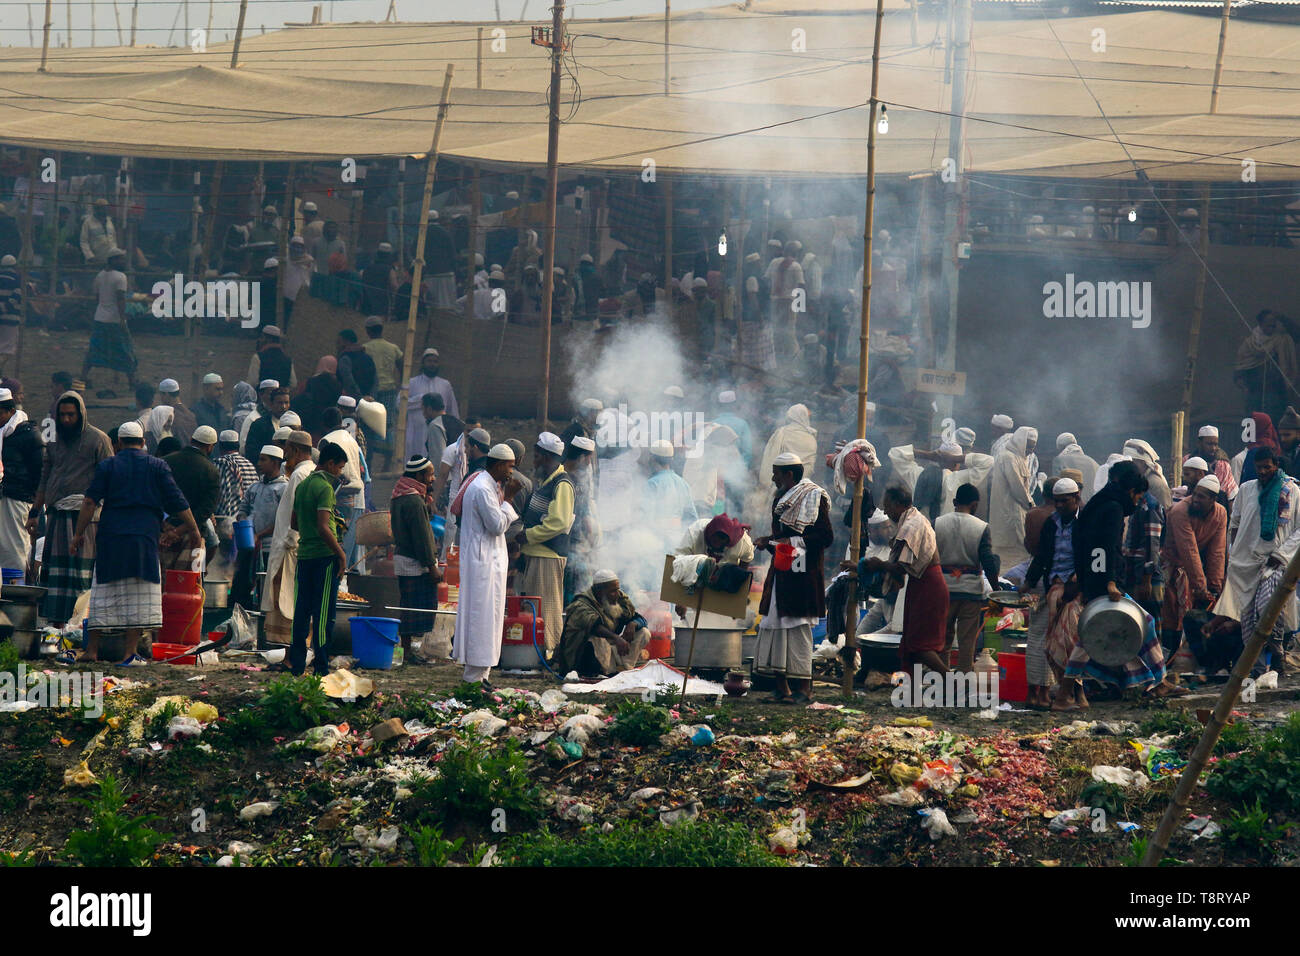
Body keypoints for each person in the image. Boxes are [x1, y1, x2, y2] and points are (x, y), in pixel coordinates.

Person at [73, 420, 200, 665]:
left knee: (103, 591)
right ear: (143, 443)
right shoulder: (157, 466)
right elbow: (177, 501)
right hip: (143, 540)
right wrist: (193, 529)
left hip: (111, 538)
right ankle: (129, 653)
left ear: (118, 443)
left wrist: (78, 534)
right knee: (138, 594)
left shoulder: (108, 466)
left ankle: (92, 650)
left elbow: (89, 502)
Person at [1057, 460, 1182, 708]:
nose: (1137, 502)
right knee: (1137, 623)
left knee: (1095, 635)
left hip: (1093, 579)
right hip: (1104, 582)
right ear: (1130, 490)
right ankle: (1158, 681)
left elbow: (1086, 546)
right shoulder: (1113, 508)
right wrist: (1111, 582)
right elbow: (1107, 547)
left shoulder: (1098, 503)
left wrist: (1085, 580)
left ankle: (1154, 682)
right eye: (1137, 495)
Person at [1213, 445, 1300, 675]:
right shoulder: (1246, 489)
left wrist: (1281, 555)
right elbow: (1235, 523)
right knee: (1248, 621)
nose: (1262, 471)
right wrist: (1235, 555)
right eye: (1259, 467)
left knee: (1268, 609)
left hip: (1275, 562)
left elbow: (1299, 530)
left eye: (1267, 467)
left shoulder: (1291, 491)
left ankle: (1278, 653)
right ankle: (1258, 669)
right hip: (1246, 563)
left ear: (1276, 465)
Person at [754, 452, 833, 703]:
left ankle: (804, 690)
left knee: (797, 628)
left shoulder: (812, 496)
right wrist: (769, 542)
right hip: (783, 570)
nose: (773, 477)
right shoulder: (781, 498)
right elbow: (782, 538)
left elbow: (825, 537)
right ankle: (782, 688)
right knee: (775, 625)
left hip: (803, 573)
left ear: (789, 474)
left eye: (776, 473)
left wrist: (792, 541)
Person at [31, 391, 113, 625]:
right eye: (62, 415)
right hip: (57, 515)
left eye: (71, 415)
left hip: (85, 517)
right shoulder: (54, 440)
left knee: (80, 573)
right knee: (57, 573)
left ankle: (81, 624)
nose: (66, 420)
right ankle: (56, 623)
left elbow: (109, 479)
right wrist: (35, 512)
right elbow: (45, 478)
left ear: (81, 414)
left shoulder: (98, 439)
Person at [454, 444, 521, 688]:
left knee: (490, 616)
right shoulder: (482, 488)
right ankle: (474, 677)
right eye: (510, 466)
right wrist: (510, 500)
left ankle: (482, 676)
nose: (512, 472)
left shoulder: (489, 485)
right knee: (481, 617)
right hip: (483, 563)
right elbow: (496, 525)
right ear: (499, 464)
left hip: (488, 562)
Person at [288, 440, 348, 676]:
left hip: (304, 556)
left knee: (301, 612)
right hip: (324, 558)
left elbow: (295, 523)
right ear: (330, 464)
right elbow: (324, 526)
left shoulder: (303, 486)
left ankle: (297, 666)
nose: (340, 473)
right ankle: (321, 670)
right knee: (323, 616)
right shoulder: (324, 487)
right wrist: (341, 554)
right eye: (340, 467)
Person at [514, 431, 574, 654]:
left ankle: (549, 651)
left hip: (548, 555)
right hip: (536, 554)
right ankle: (535, 651)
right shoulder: (545, 482)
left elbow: (558, 522)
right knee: (534, 608)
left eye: (537, 456)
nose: (534, 461)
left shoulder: (562, 483)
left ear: (548, 457)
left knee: (546, 609)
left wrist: (528, 536)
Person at [1160, 475, 1227, 660]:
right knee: (1171, 612)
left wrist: (1214, 586)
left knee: (1195, 613)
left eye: (1202, 497)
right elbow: (1188, 549)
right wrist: (1200, 586)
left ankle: (1195, 660)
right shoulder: (1180, 510)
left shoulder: (1220, 513)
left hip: (1195, 569)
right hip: (1173, 565)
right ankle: (1169, 658)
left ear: (1213, 499)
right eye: (1195, 495)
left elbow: (1217, 551)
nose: (1196, 499)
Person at [934, 482, 1000, 673]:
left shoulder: (937, 523)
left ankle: (942, 677)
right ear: (975, 504)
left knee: (943, 639)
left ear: (954, 501)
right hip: (970, 592)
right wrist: (996, 590)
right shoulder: (981, 527)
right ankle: (963, 680)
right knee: (967, 641)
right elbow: (988, 561)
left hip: (943, 589)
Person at [262, 432, 315, 644]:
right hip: (298, 547)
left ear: (295, 450)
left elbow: (296, 513)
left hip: (290, 548)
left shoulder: (299, 475)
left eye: (287, 451)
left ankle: (286, 653)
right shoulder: (310, 471)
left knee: (284, 600)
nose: (285, 457)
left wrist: (290, 542)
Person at [391, 456, 443, 664]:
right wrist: (431, 566)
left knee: (408, 606)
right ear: (419, 475)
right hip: (415, 561)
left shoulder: (402, 495)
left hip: (405, 558)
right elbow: (422, 537)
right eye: (430, 474)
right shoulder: (413, 501)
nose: (433, 478)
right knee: (413, 609)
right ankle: (408, 653)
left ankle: (407, 651)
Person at [553, 570, 651, 678]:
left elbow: (640, 619)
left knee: (643, 632)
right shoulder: (581, 605)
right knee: (597, 638)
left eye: (617, 589)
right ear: (599, 592)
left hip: (609, 651)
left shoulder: (617, 600)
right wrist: (616, 638)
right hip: (581, 658)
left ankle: (624, 668)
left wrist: (633, 624)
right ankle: (605, 672)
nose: (617, 594)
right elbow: (595, 627)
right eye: (613, 591)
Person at [232, 445, 287, 611]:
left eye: (263, 460)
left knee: (265, 588)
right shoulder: (254, 487)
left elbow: (283, 520)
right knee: (242, 586)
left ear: (276, 462)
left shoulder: (284, 488)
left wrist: (260, 535)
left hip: (271, 547)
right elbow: (243, 510)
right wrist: (245, 526)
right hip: (249, 544)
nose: (259, 463)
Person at [161, 426, 220, 570]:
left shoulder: (164, 462)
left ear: (191, 440)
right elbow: (207, 509)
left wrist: (167, 527)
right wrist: (180, 531)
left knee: (161, 581)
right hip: (194, 535)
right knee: (189, 583)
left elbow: (153, 497)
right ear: (210, 447)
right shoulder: (211, 470)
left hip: (162, 533)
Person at [81, 249, 138, 390]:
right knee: (125, 349)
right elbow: (120, 299)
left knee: (94, 349)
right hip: (114, 320)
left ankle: (83, 377)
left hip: (100, 318)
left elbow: (96, 297)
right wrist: (123, 319)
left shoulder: (100, 275)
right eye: (121, 259)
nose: (123, 262)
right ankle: (132, 381)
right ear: (113, 260)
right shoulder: (121, 277)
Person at [0, 386, 43, 573]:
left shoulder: (28, 434)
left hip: (18, 500)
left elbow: (40, 471)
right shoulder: (3, 433)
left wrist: (34, 505)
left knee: (15, 549)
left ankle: (16, 592)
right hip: (4, 498)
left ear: (11, 411)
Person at [321, 408, 366, 574]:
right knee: (349, 547)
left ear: (324, 425)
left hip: (341, 497)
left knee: (337, 547)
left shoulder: (327, 440)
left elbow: (326, 472)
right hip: (356, 496)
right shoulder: (350, 438)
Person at [1234, 309, 1298, 422]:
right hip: (1255, 392)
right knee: (1253, 421)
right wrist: (1242, 383)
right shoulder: (1250, 343)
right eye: (1268, 324)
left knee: (1275, 420)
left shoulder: (1282, 340)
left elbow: (1297, 334)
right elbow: (1241, 365)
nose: (1271, 327)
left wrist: (1282, 317)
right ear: (1260, 323)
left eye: (1273, 324)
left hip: (1276, 392)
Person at [990, 425, 1037, 568]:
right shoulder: (1008, 457)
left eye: (1033, 448)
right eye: (1029, 447)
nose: (1031, 451)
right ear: (1020, 442)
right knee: (1008, 552)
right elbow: (1017, 487)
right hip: (1008, 512)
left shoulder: (1019, 458)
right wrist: (1032, 506)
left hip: (1017, 511)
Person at [362, 315, 403, 469]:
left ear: (368, 331)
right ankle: (387, 463)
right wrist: (400, 384)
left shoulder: (365, 348)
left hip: (371, 392)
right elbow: (401, 366)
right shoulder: (393, 348)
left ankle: (369, 461)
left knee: (369, 425)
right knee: (388, 424)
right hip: (389, 390)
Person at [404, 348, 458, 458]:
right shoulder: (412, 382)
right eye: (429, 361)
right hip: (416, 432)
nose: (432, 364)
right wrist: (420, 399)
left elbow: (453, 410)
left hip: (439, 431)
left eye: (435, 361)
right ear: (423, 363)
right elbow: (399, 403)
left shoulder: (445, 385)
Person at [758, 403, 818, 479]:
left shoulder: (781, 433)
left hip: (782, 482)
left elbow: (770, 457)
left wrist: (765, 480)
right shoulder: (811, 438)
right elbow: (810, 466)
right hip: (802, 484)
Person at [215, 430, 257, 521]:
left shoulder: (221, 463)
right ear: (238, 446)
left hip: (228, 519)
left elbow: (220, 495)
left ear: (220, 446)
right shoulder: (249, 464)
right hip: (248, 519)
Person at [1188, 425, 1238, 501]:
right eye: (1209, 444)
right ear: (1199, 443)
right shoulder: (1187, 461)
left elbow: (1230, 495)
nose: (1213, 448)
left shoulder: (1223, 465)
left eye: (1215, 444)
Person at [245, 387, 292, 459]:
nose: (283, 407)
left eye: (286, 402)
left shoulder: (294, 424)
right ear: (271, 404)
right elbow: (251, 452)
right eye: (280, 403)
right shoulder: (259, 425)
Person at [1052, 433, 1099, 502]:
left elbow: (1057, 486)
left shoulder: (1059, 460)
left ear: (1061, 447)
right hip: (1093, 507)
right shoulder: (1093, 462)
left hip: (1072, 506)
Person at [246, 326, 296, 391]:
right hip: (279, 398)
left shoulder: (258, 357)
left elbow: (252, 382)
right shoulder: (288, 359)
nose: (259, 340)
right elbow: (293, 384)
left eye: (262, 337)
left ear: (269, 339)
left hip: (262, 398)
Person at [337, 329, 378, 399]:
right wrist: (371, 398)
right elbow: (375, 380)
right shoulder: (368, 357)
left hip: (350, 402)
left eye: (339, 342)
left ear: (346, 342)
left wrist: (360, 398)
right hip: (369, 400)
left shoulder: (345, 359)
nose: (337, 345)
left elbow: (348, 382)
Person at [79, 198, 117, 266]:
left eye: (105, 208)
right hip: (94, 261)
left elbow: (114, 239)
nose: (103, 210)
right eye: (101, 208)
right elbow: (84, 241)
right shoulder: (88, 222)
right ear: (96, 209)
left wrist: (115, 255)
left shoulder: (110, 222)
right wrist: (90, 257)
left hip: (110, 261)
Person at [158, 378, 197, 444]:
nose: (161, 399)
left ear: (166, 394)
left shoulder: (169, 416)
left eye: (161, 395)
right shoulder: (191, 415)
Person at [422, 392, 447, 466]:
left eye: (423, 410)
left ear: (429, 409)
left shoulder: (435, 425)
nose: (423, 414)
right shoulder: (458, 422)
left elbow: (438, 458)